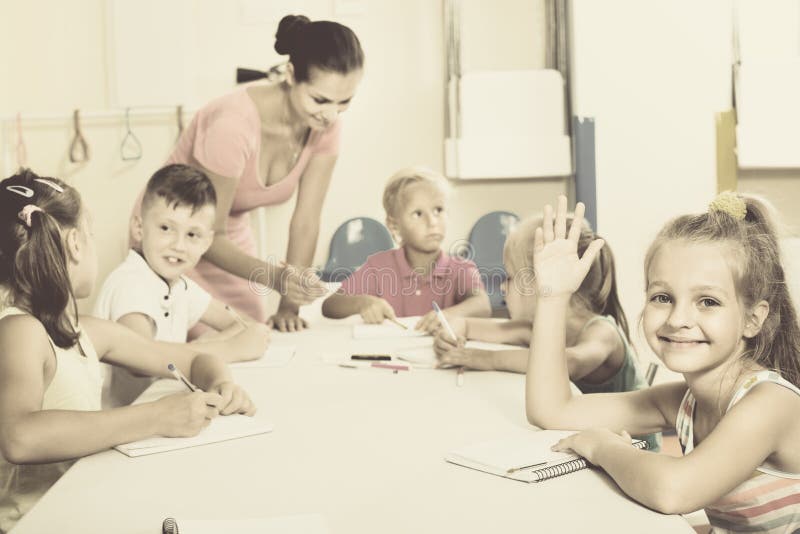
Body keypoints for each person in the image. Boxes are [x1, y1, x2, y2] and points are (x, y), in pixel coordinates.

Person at [0, 170, 256, 532]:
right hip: (37, 521)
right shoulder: (18, 329)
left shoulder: (84, 331)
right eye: (91, 235)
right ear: (75, 243)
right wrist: (156, 417)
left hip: (78, 504)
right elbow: (19, 437)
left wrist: (220, 382)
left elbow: (193, 359)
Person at [526, 194, 800, 531]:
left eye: (708, 301)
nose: (678, 318)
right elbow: (552, 411)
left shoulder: (772, 404)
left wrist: (604, 446)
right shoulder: (682, 403)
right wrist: (553, 296)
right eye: (663, 297)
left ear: (753, 319)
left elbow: (674, 490)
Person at [130, 14, 365, 332]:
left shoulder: (326, 125)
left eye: (344, 102)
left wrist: (289, 304)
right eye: (320, 99)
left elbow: (306, 221)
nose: (331, 114)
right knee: (201, 344)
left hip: (228, 233)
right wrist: (278, 278)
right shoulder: (233, 126)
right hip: (174, 232)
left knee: (252, 335)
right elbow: (207, 232)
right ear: (291, 74)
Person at [95, 164, 271, 406]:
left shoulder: (180, 286)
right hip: (123, 425)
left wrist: (205, 347)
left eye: (192, 235)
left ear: (206, 242)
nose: (178, 245)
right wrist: (226, 350)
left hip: (161, 411)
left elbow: (240, 323)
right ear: (139, 228)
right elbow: (139, 359)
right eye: (166, 228)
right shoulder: (130, 283)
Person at [433, 216, 646, 388]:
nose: (502, 287)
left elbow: (567, 363)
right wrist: (449, 334)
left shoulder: (602, 333)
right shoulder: (533, 328)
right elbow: (467, 325)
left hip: (631, 442)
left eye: (510, 276)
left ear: (545, 279)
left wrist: (486, 358)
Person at [322, 166, 491, 333]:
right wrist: (363, 303)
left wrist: (448, 315)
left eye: (438, 210)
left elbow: (482, 305)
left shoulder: (461, 267)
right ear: (394, 225)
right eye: (418, 214)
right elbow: (330, 306)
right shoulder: (378, 266)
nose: (432, 222)